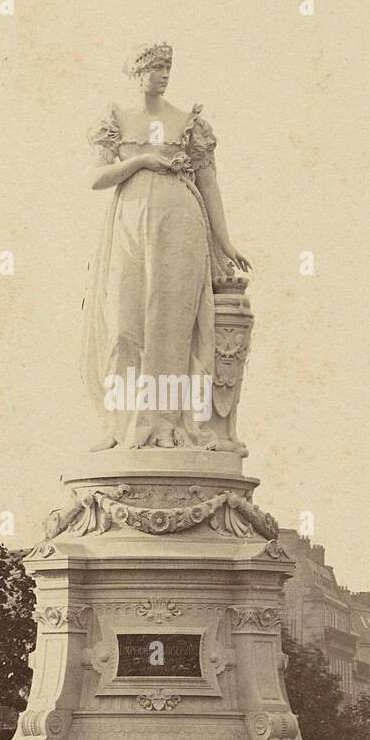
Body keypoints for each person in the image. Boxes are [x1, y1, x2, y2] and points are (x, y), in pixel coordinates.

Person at [82, 42, 251, 449]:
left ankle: (166, 423)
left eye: (168, 68)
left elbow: (209, 183)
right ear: (138, 72)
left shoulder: (187, 122)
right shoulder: (116, 118)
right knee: (124, 326)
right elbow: (97, 178)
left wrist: (223, 241)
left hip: (181, 226)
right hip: (130, 225)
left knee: (171, 328)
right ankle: (120, 424)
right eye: (156, 67)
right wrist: (140, 162)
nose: (164, 74)